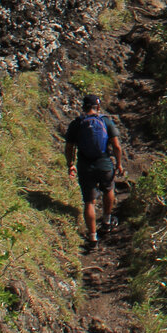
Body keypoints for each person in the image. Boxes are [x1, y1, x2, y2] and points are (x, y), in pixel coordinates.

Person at [64, 93, 124, 248]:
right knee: (108, 189)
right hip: (104, 163)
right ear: (98, 106)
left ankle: (92, 237)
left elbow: (69, 146)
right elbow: (116, 146)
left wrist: (70, 164)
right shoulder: (105, 121)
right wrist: (119, 164)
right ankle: (106, 220)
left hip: (85, 166)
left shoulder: (77, 123)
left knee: (89, 201)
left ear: (83, 106)